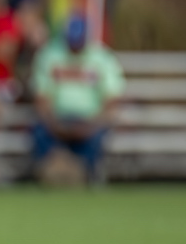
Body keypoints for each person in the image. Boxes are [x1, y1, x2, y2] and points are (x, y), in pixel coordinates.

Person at [31, 15, 125, 185]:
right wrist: (54, 124)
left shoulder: (102, 58)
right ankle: (51, 173)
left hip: (91, 120)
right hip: (57, 120)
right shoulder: (50, 55)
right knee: (40, 132)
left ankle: (85, 176)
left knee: (96, 138)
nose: (74, 47)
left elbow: (111, 99)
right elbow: (42, 98)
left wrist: (92, 124)